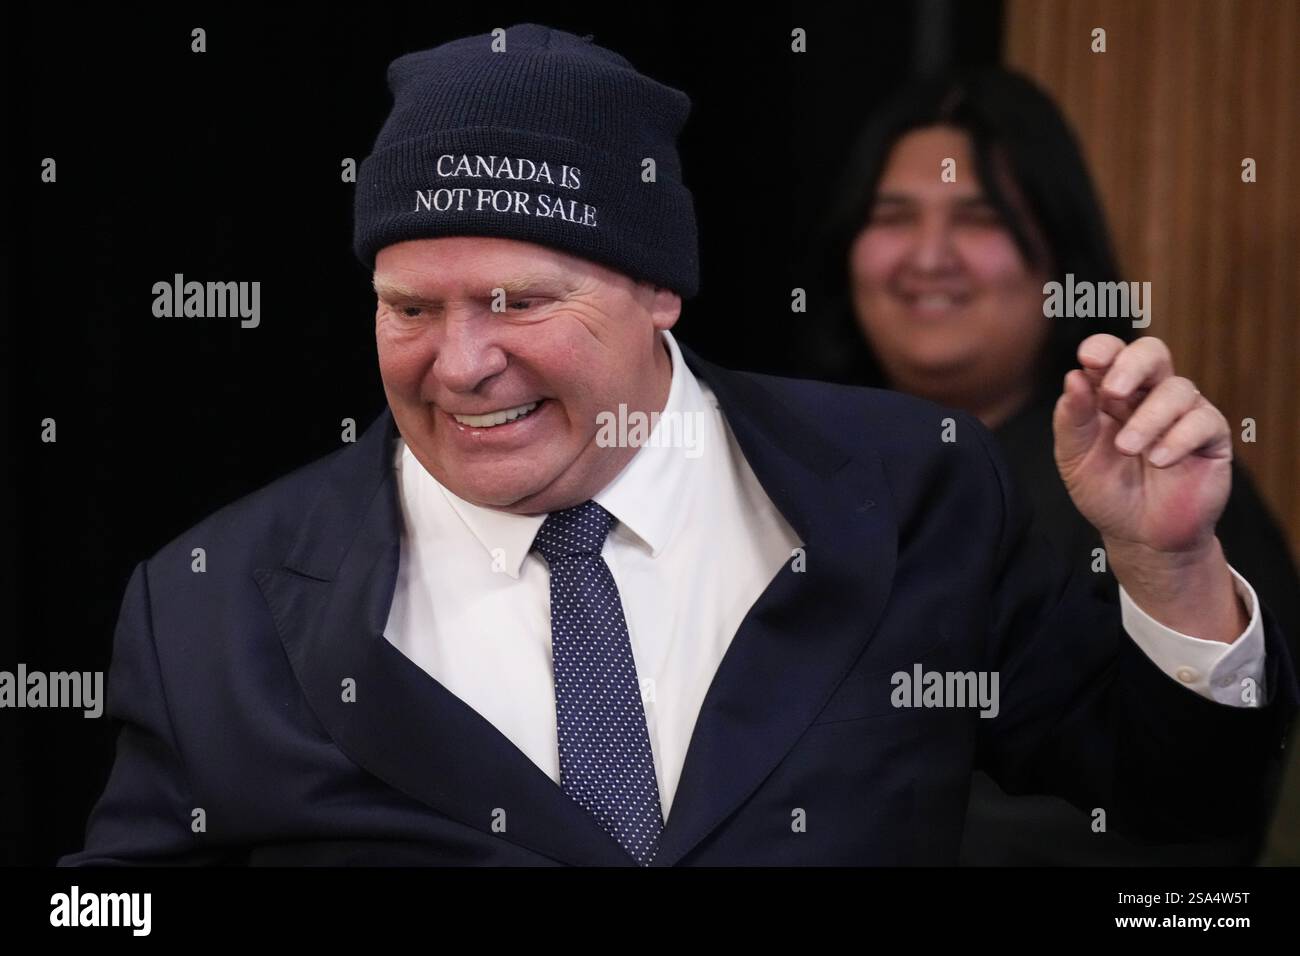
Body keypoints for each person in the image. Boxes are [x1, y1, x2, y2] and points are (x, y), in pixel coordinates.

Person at [61, 25, 1296, 867]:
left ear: (661, 290)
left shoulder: (911, 484)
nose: (458, 361)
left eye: (519, 301)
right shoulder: (208, 605)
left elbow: (1173, 823)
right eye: (409, 307)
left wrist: (1168, 572)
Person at [808, 68, 1300, 864]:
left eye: (977, 218)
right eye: (893, 216)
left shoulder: (1154, 482)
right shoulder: (787, 463)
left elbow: (1201, 807)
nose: (929, 257)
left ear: (1057, 254)